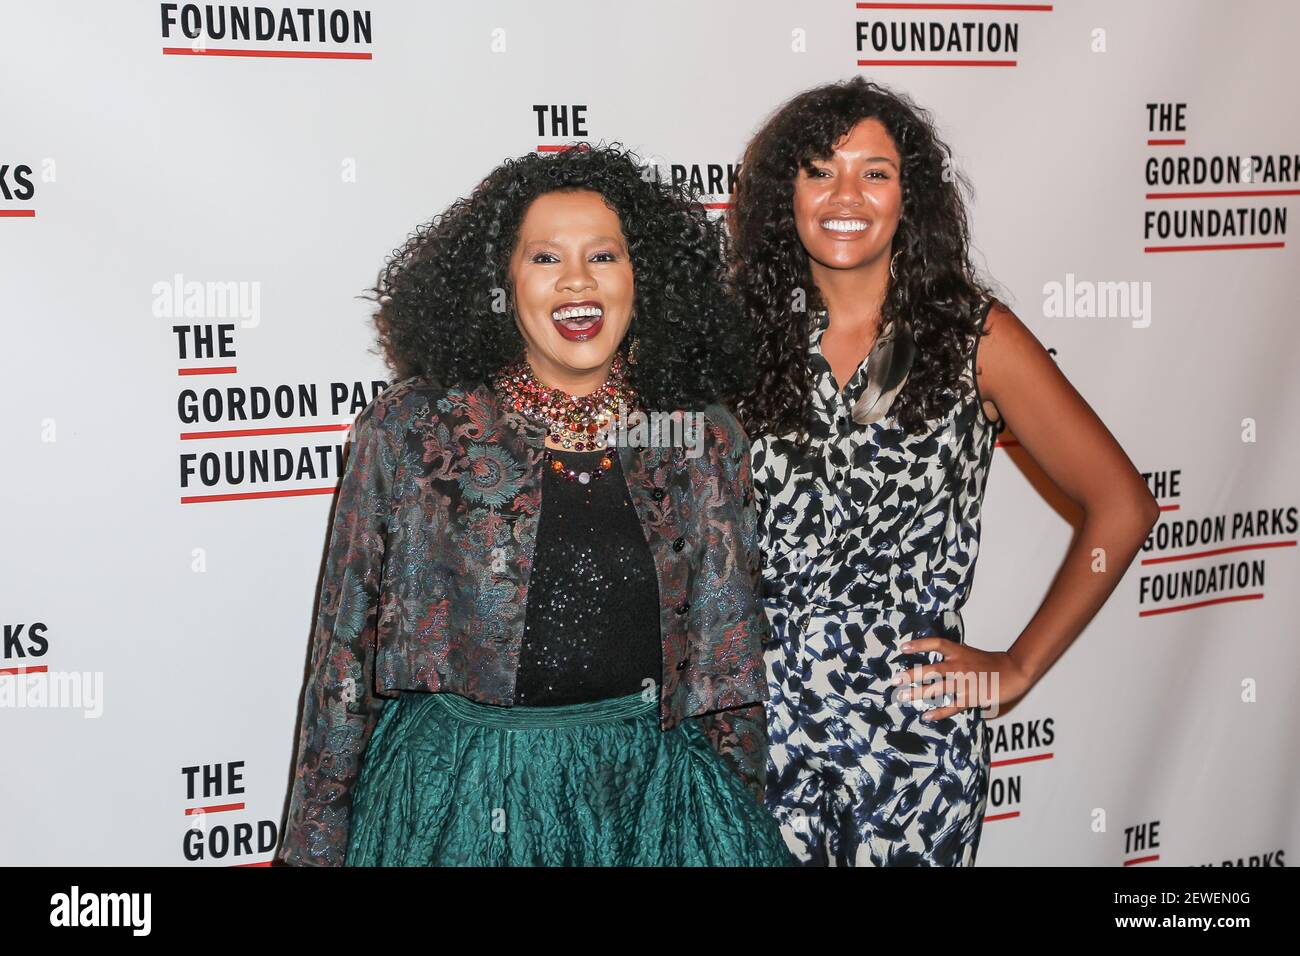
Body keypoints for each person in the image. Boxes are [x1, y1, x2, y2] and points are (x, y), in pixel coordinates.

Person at [276, 143, 792, 867]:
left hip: (647, 805)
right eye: (546, 258)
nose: (577, 281)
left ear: (644, 280)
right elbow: (342, 659)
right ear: (503, 282)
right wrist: (312, 852)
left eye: (604, 257)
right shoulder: (415, 432)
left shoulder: (700, 440)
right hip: (459, 803)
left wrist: (732, 815)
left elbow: (731, 671)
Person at [729, 77, 1160, 866]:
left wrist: (1020, 667)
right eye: (818, 170)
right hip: (760, 733)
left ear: (909, 195)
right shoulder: (739, 344)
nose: (844, 194)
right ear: (781, 194)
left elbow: (1121, 504)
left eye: (875, 171)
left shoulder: (973, 339)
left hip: (914, 740)